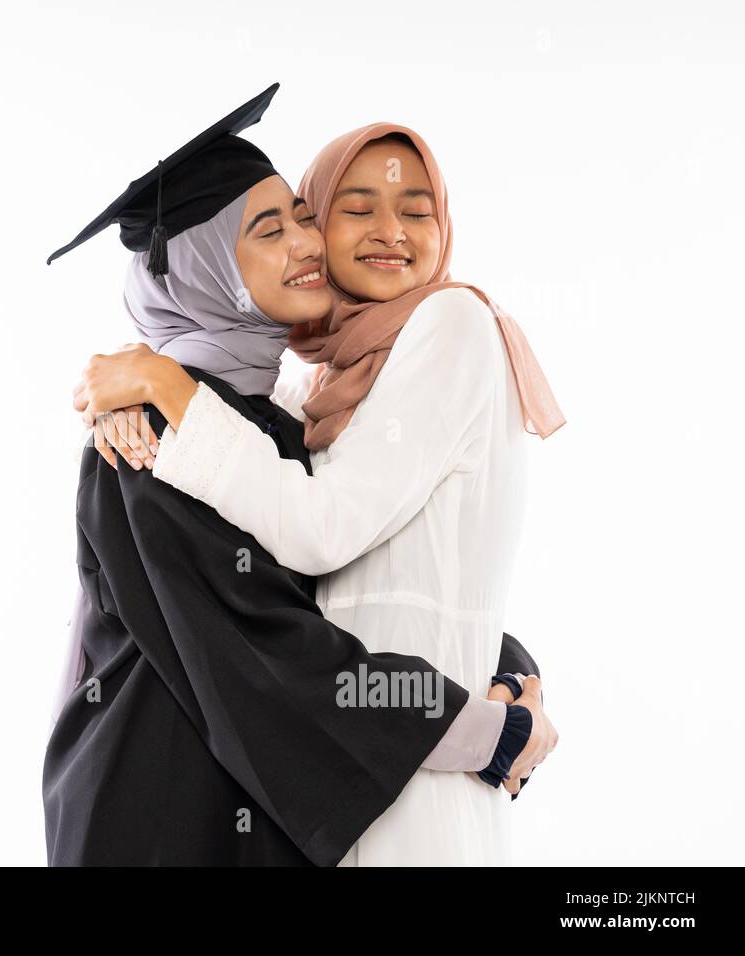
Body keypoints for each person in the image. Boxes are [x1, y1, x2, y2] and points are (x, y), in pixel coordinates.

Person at [46, 85, 548, 866]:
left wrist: (505, 664)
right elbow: (265, 652)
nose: (306, 246)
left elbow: (347, 577)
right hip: (156, 816)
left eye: (302, 218)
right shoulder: (149, 438)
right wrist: (477, 727)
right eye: (269, 229)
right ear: (202, 271)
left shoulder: (276, 415)